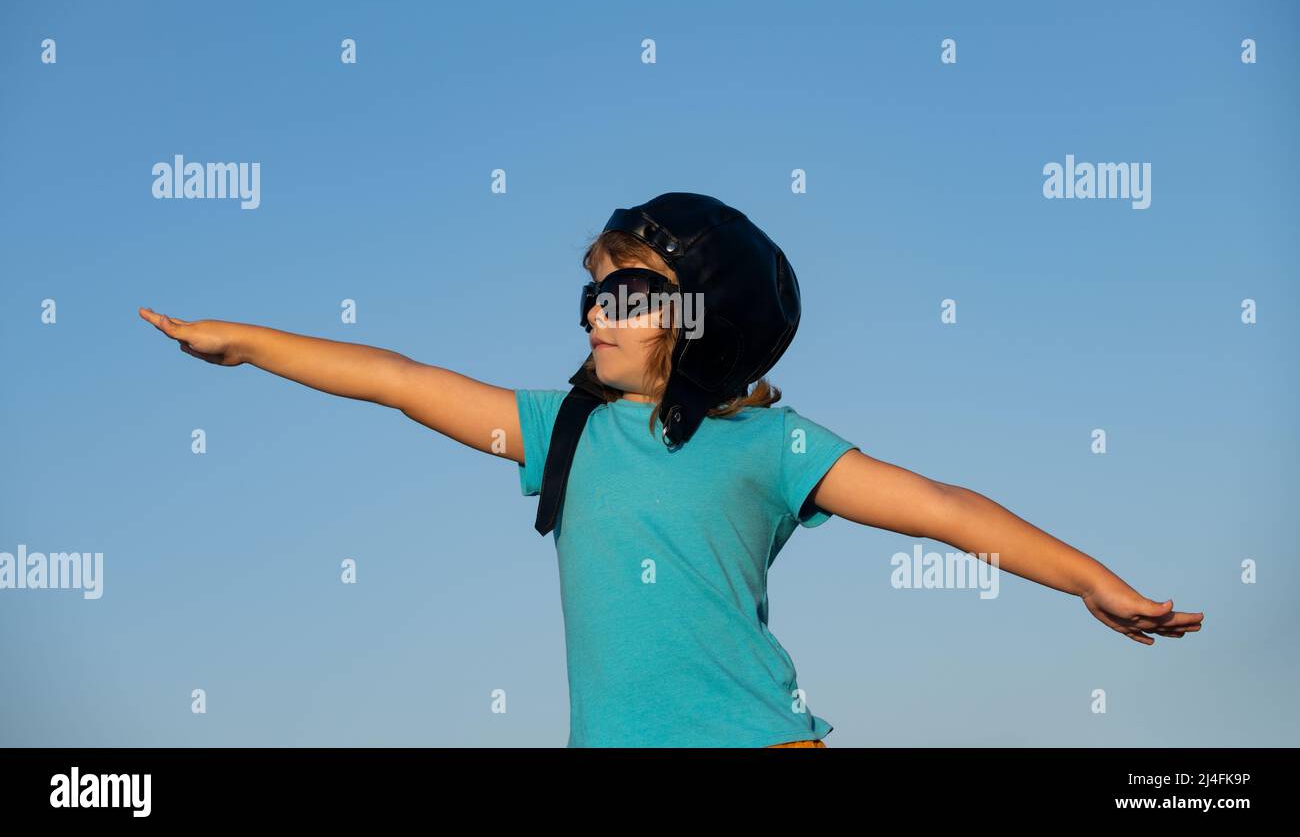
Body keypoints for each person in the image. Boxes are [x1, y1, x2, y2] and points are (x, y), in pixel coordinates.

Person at [138, 193, 1205, 748]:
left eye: (632, 295)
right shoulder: (562, 428)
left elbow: (937, 507)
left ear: (705, 325)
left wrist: (1085, 578)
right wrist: (245, 342)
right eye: (597, 292)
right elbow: (399, 379)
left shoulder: (772, 446)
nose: (600, 313)